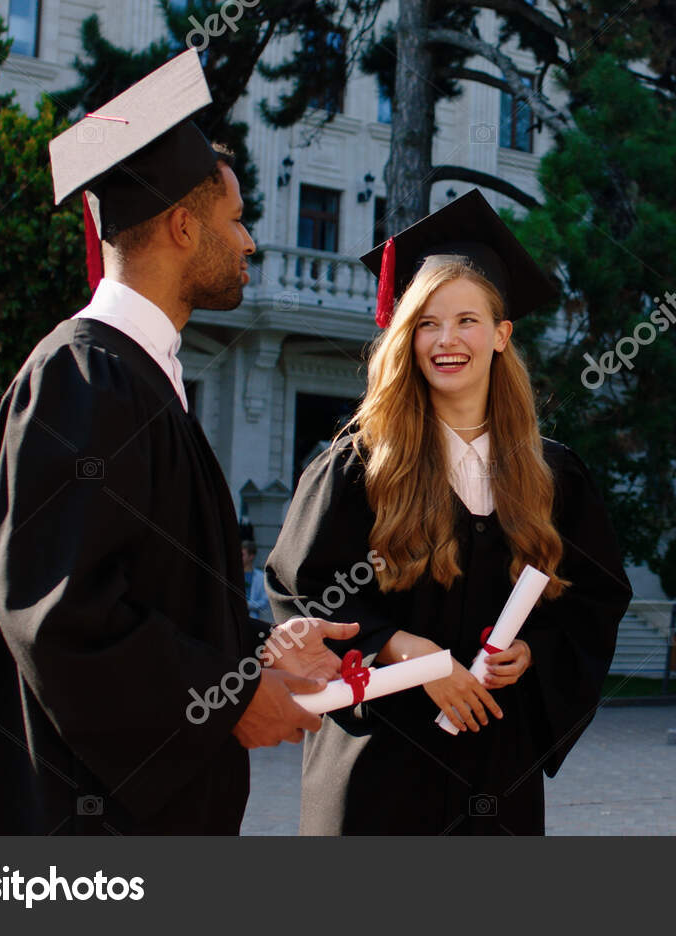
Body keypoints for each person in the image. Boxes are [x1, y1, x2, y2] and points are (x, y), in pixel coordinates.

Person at [0, 51, 356, 836]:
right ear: (184, 228)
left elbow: (146, 597)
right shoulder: (84, 377)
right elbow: (63, 617)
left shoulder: (134, 378)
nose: (250, 241)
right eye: (235, 219)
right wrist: (230, 694)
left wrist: (259, 652)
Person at [267, 189, 633, 835]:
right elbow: (307, 593)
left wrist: (533, 654)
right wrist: (404, 651)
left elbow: (592, 604)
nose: (446, 339)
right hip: (377, 767)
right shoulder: (360, 468)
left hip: (494, 765)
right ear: (406, 338)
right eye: (427, 323)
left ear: (501, 335)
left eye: (467, 320)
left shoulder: (553, 476)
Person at [242, 540, 270, 622]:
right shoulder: (233, 574)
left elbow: (264, 602)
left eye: (243, 555)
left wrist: (247, 605)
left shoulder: (260, 577)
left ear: (251, 556)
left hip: (253, 619)